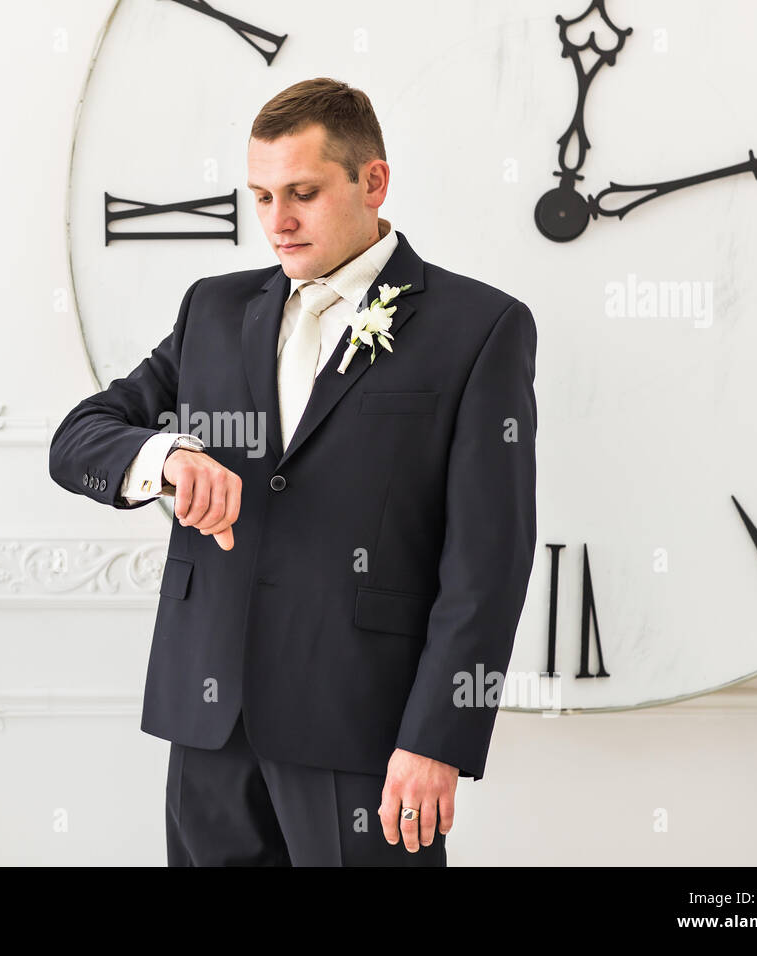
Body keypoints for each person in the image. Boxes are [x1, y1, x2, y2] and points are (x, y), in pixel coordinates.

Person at [49, 77, 537, 866]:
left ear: (372, 182)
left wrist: (437, 740)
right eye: (262, 195)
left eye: (303, 193)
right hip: (208, 720)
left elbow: (489, 560)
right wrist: (163, 456)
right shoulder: (213, 308)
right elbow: (80, 437)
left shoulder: (479, 328)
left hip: (365, 733)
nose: (277, 222)